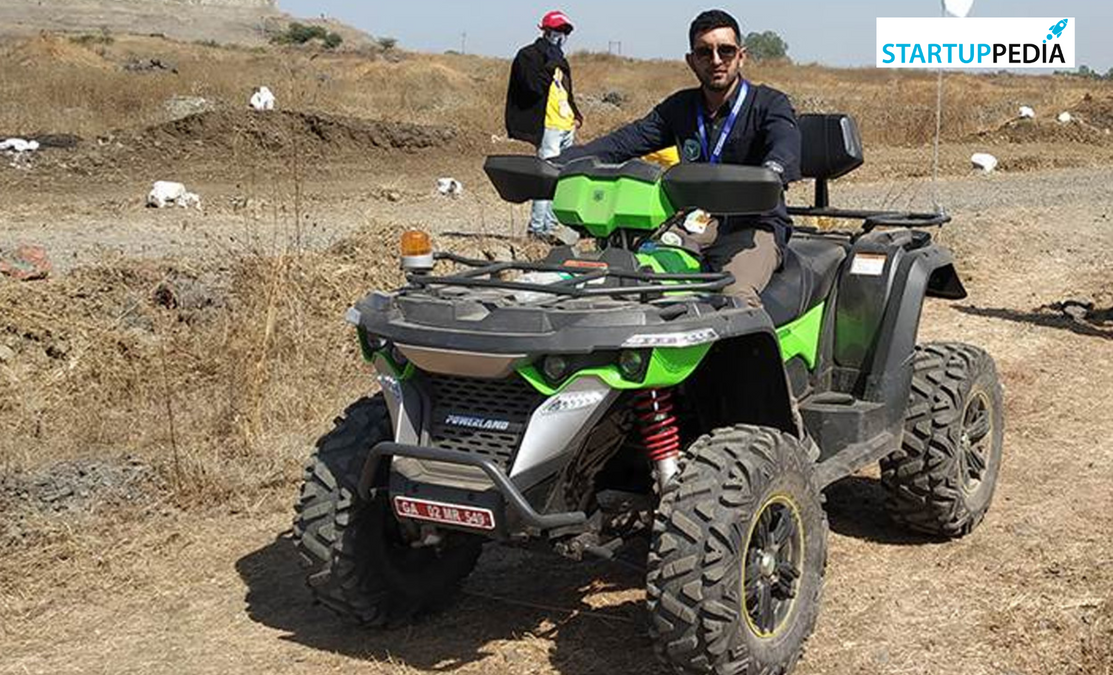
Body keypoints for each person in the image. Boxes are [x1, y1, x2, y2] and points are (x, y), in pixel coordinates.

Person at [560, 9, 801, 307]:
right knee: (635, 279)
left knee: (733, 298)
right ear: (691, 60)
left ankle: (747, 353)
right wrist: (564, 160)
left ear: (742, 56)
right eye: (704, 52)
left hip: (754, 225)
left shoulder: (769, 103)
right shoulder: (680, 107)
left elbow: (785, 142)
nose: (715, 60)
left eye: (725, 50)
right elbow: (624, 141)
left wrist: (773, 171)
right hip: (695, 222)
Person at [504, 10, 583, 244]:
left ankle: (551, 224)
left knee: (561, 176)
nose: (560, 35)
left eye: (564, 32)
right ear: (545, 31)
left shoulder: (559, 58)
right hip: (547, 124)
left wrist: (576, 113)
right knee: (545, 175)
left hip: (565, 122)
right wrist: (550, 64)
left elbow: (565, 90)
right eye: (557, 30)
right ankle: (537, 227)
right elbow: (531, 86)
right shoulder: (529, 55)